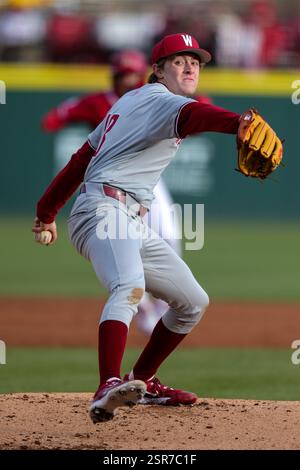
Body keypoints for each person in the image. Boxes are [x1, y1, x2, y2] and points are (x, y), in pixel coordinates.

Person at [32, 33, 280, 423]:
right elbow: (193, 116)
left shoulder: (132, 102)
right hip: (102, 210)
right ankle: (107, 384)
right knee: (128, 286)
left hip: (127, 217)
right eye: (179, 61)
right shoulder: (161, 100)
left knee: (192, 302)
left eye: (195, 62)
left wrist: (46, 211)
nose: (190, 67)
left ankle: (141, 381)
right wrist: (239, 122)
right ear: (159, 70)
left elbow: (82, 158)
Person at [42, 49, 183, 336]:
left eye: (133, 75)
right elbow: (54, 118)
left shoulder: (154, 98)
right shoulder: (97, 102)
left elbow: (199, 106)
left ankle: (162, 306)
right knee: (125, 249)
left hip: (149, 179)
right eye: (123, 75)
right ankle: (143, 310)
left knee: (169, 235)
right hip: (109, 184)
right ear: (115, 77)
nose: (128, 80)